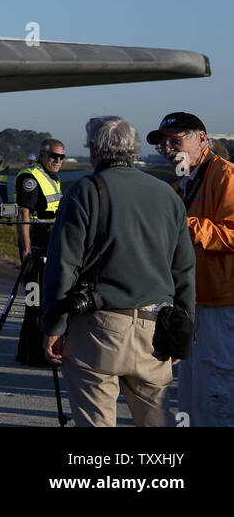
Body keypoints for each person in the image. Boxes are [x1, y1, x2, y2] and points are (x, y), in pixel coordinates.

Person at [42, 117, 195, 427]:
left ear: (96, 150)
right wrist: (183, 333)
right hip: (155, 330)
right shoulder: (168, 195)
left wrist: (53, 326)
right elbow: (184, 270)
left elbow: (63, 265)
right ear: (133, 150)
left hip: (98, 330)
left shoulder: (85, 190)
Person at [148, 111, 234, 427]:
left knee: (217, 388)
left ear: (201, 138)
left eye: (175, 140)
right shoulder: (181, 184)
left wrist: (183, 225)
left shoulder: (226, 177)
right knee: (191, 389)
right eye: (164, 144)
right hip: (190, 302)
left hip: (221, 304)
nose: (168, 149)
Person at [13, 140, 65, 366]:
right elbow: (23, 213)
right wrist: (26, 251)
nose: (58, 161)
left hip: (49, 248)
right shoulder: (30, 178)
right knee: (34, 302)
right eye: (53, 156)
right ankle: (30, 353)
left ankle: (38, 350)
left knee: (45, 301)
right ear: (42, 155)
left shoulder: (52, 178)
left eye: (62, 157)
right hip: (34, 249)